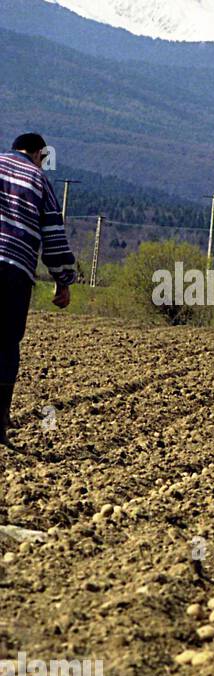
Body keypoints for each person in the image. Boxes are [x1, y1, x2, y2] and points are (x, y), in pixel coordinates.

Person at [0, 133, 75, 447]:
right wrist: (63, 280)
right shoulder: (39, 181)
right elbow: (54, 240)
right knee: (5, 343)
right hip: (13, 273)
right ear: (39, 155)